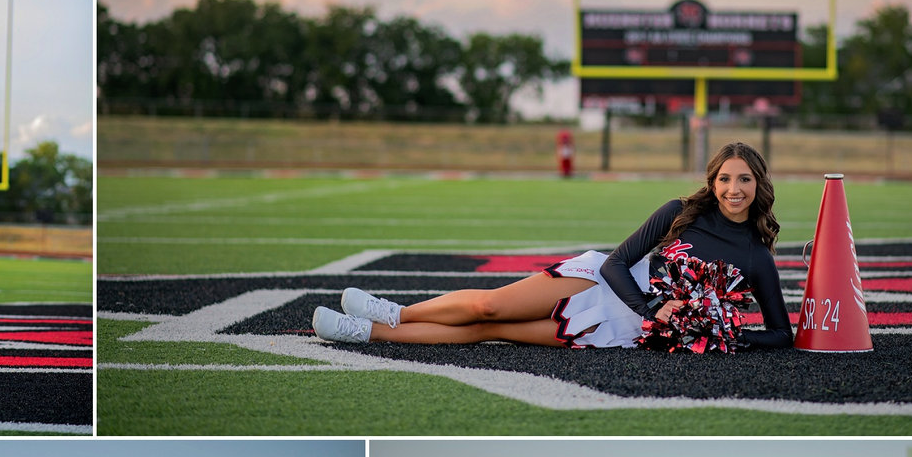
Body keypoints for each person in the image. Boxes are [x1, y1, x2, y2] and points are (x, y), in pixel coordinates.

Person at [311, 142, 792, 353]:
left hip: (619, 331)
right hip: (605, 284)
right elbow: (618, 263)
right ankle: (393, 313)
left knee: (487, 332)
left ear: (758, 184)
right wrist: (651, 307)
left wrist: (712, 332)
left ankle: (368, 334)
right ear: (712, 180)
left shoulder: (756, 256)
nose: (734, 189)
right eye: (725, 178)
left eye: (744, 179)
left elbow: (780, 334)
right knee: (488, 305)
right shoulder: (680, 211)